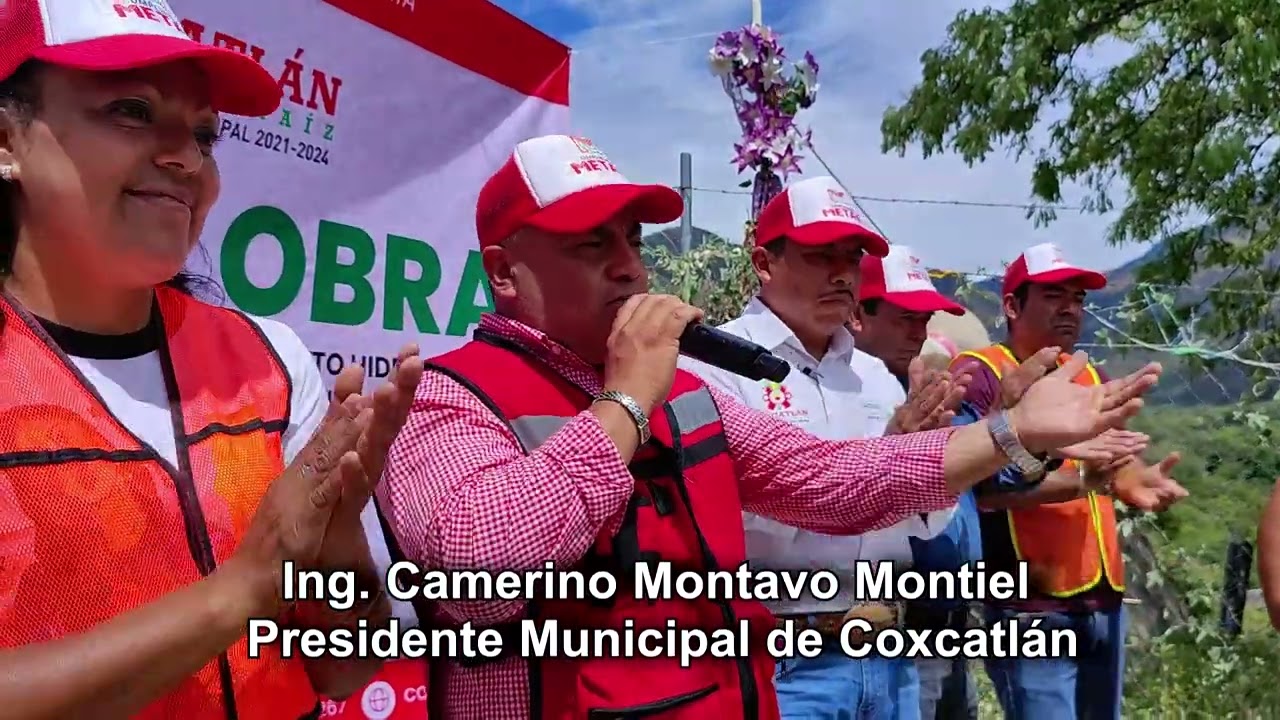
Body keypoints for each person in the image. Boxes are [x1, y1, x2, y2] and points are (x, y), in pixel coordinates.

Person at [377, 134, 1160, 720]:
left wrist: (1012, 431)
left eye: (633, 243)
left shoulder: (685, 393)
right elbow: (474, 574)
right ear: (505, 273)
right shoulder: (449, 398)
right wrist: (623, 404)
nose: (630, 268)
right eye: (593, 245)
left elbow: (833, 481)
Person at [0, 2, 423, 718]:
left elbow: (345, 672)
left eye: (204, 134)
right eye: (132, 110)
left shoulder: (268, 359)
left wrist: (338, 536)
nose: (186, 156)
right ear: (7, 139)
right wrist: (240, 592)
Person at [677, 179, 960, 720]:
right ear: (764, 263)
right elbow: (724, 516)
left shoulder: (875, 375)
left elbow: (925, 524)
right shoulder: (711, 366)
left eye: (851, 256)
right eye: (820, 254)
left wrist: (923, 465)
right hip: (786, 657)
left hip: (887, 652)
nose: (841, 272)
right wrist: (885, 465)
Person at [947, 242, 1188, 720]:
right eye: (1054, 296)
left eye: (1078, 298)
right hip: (1030, 607)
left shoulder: (1083, 375)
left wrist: (1136, 479)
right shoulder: (981, 374)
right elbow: (973, 488)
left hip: (1101, 600)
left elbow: (1109, 464)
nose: (1071, 309)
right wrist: (1082, 484)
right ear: (1012, 306)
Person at [851, 246, 982, 720]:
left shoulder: (941, 405)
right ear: (858, 314)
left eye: (923, 319)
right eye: (905, 316)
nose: (918, 331)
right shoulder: (834, 401)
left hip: (947, 631)